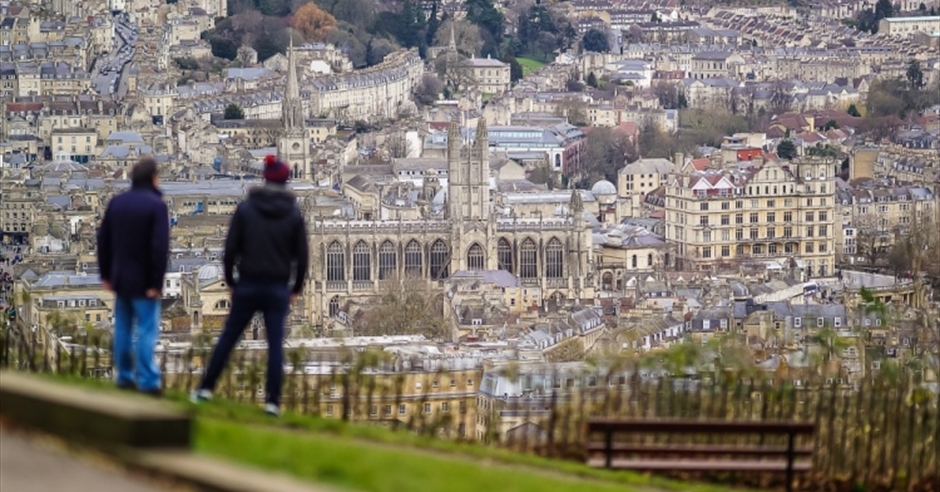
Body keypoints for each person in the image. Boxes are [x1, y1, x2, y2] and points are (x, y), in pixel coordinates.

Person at [192, 155, 309, 417]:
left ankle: (206, 389)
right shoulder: (293, 214)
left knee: (228, 338)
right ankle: (272, 403)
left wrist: (231, 282)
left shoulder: (246, 209)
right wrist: (295, 289)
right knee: (276, 345)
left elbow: (230, 250)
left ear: (264, 178)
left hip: (248, 283)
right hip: (277, 287)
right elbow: (302, 258)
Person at [97, 157, 170, 396]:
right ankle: (148, 381)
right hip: (145, 281)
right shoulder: (156, 206)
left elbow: (103, 241)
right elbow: (159, 248)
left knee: (123, 330)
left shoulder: (117, 203)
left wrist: (106, 274)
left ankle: (124, 376)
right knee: (147, 331)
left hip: (120, 279)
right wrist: (156, 282)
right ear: (152, 178)